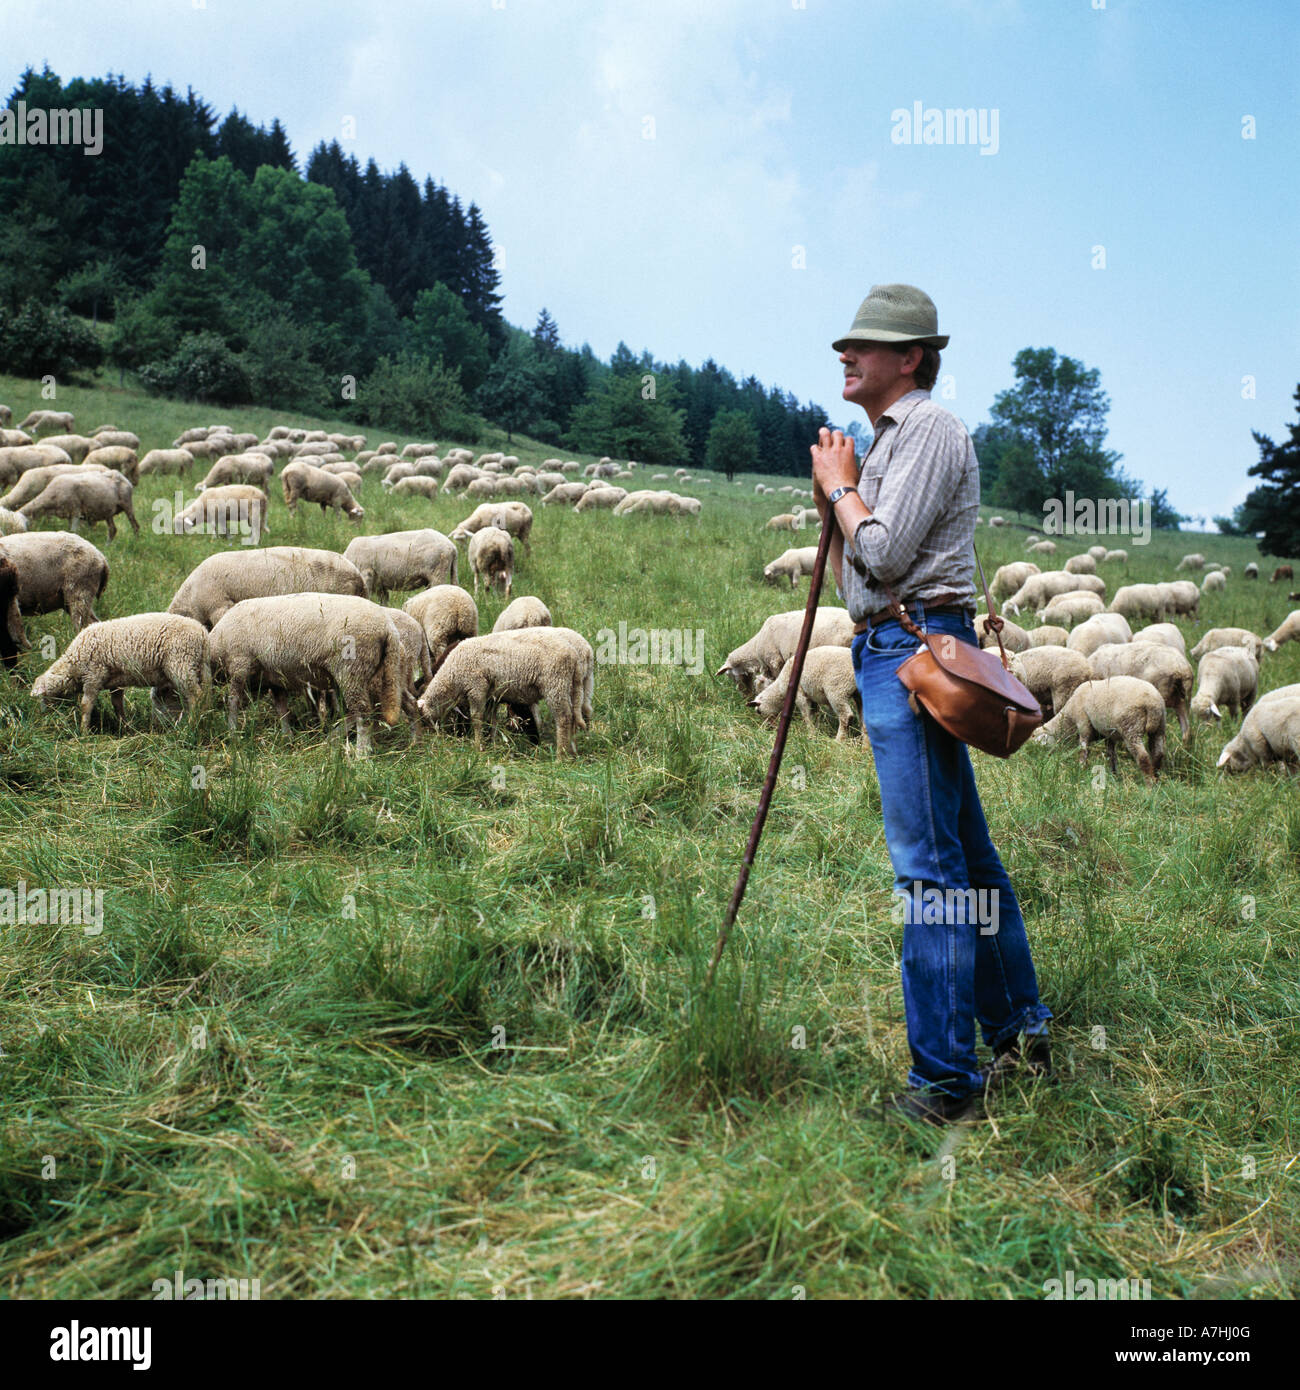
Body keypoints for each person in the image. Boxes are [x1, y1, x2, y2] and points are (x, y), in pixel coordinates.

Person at [809, 283, 1052, 1125]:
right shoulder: (889, 440)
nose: (847, 353)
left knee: (931, 872)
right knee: (968, 860)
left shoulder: (929, 429)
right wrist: (841, 485)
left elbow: (880, 555)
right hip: (911, 645)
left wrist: (842, 487)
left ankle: (946, 1082)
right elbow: (859, 564)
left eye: (864, 344)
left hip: (912, 654)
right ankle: (1020, 1030)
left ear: (909, 358)